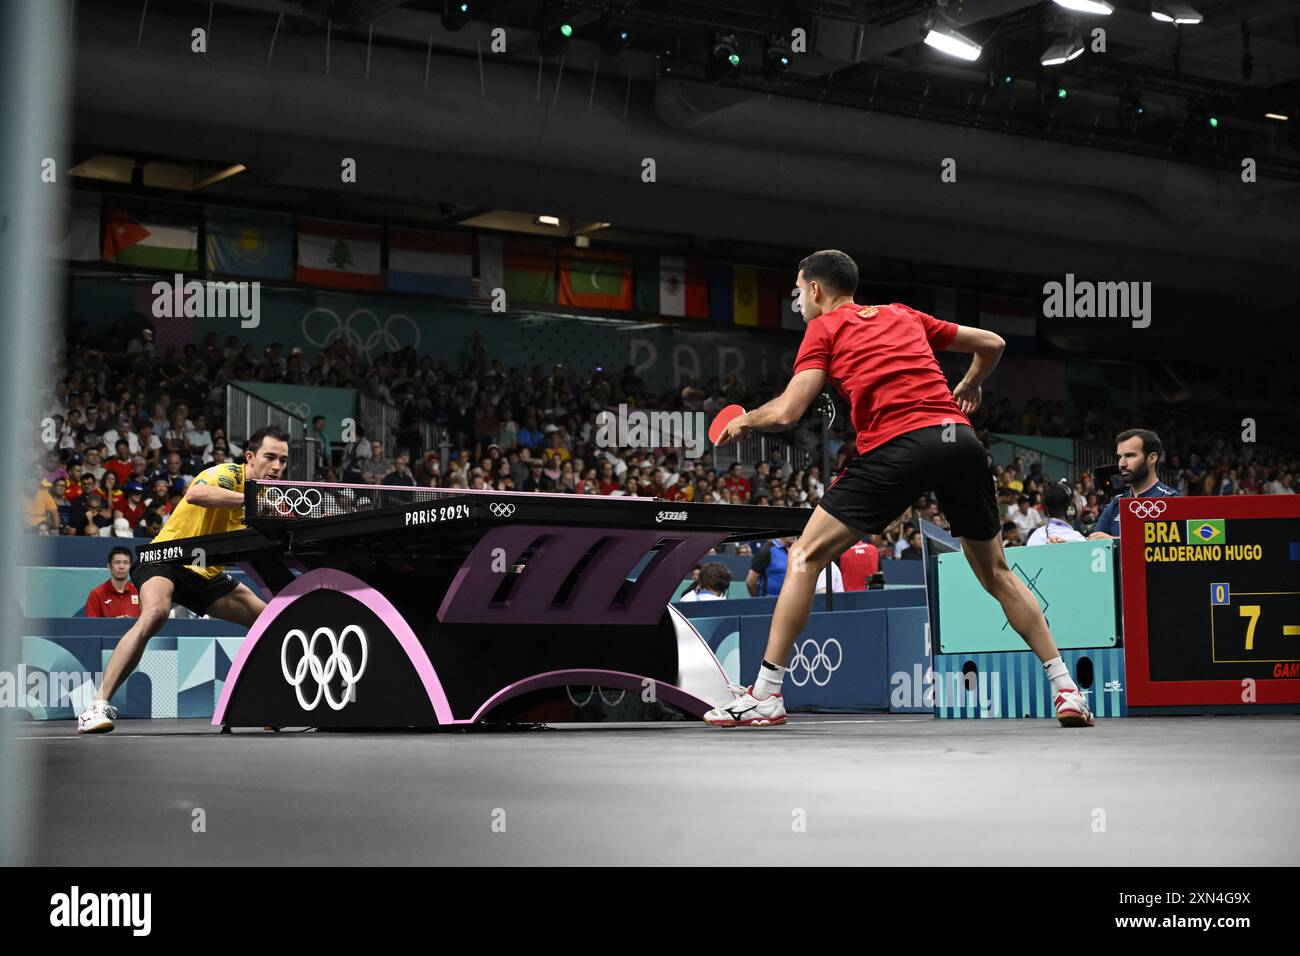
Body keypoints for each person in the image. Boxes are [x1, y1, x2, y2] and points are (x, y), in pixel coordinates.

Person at [705, 249, 1093, 728]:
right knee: (997, 573)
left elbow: (788, 411)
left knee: (805, 556)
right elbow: (992, 343)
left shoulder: (823, 329)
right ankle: (1067, 690)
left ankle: (765, 694)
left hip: (898, 446)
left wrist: (746, 421)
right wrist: (970, 383)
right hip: (960, 441)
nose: (798, 301)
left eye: (797, 291)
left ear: (816, 289)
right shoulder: (902, 314)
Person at [76, 426, 291, 734]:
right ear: (250, 457)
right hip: (166, 559)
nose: (277, 467)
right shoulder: (228, 475)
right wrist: (249, 500)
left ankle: (263, 704)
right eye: (270, 457)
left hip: (207, 573)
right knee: (156, 613)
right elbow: (196, 493)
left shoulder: (271, 497)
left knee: (271, 622)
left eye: (282, 461)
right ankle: (96, 707)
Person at [1088, 429, 1180, 540]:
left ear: (1152, 458)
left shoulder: (1171, 500)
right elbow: (1094, 542)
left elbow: (1167, 548)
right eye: (1120, 457)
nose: (1122, 464)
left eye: (1130, 456)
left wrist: (1114, 541)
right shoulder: (1116, 503)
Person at [84, 547, 141, 618]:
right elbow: (91, 625)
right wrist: (113, 623)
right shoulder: (96, 594)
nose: (121, 566)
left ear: (130, 566)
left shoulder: (139, 592)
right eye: (117, 562)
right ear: (109, 566)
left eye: (125, 563)